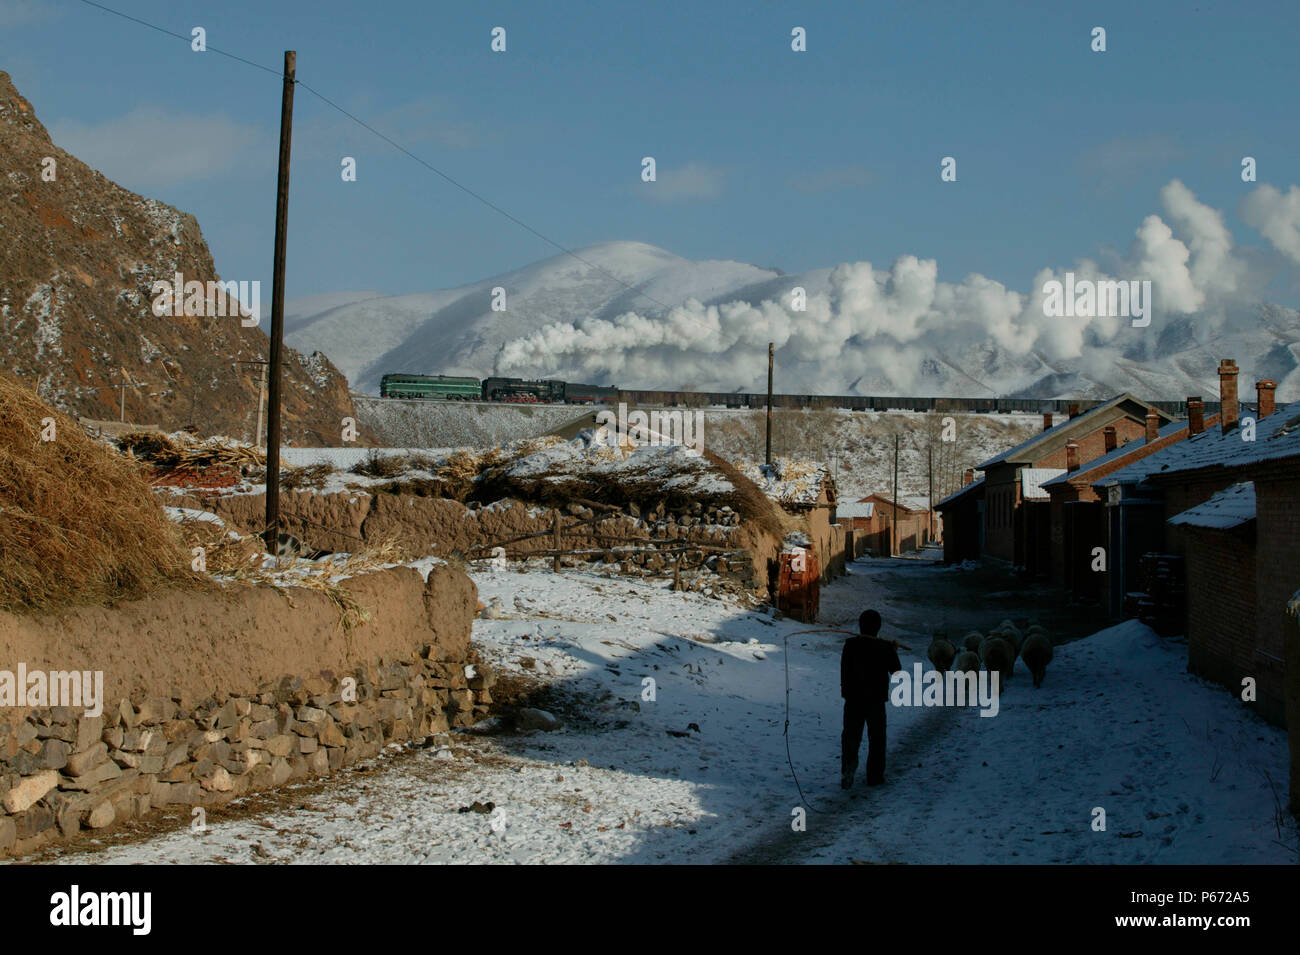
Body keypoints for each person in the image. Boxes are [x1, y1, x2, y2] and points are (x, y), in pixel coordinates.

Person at [840, 609, 902, 788]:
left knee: (851, 737)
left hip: (853, 699)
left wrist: (846, 691)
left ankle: (848, 771)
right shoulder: (884, 647)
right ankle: (874, 776)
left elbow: (844, 670)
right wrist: (894, 650)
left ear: (860, 625)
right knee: (877, 738)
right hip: (875, 700)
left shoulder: (850, 644)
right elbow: (897, 672)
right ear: (878, 627)